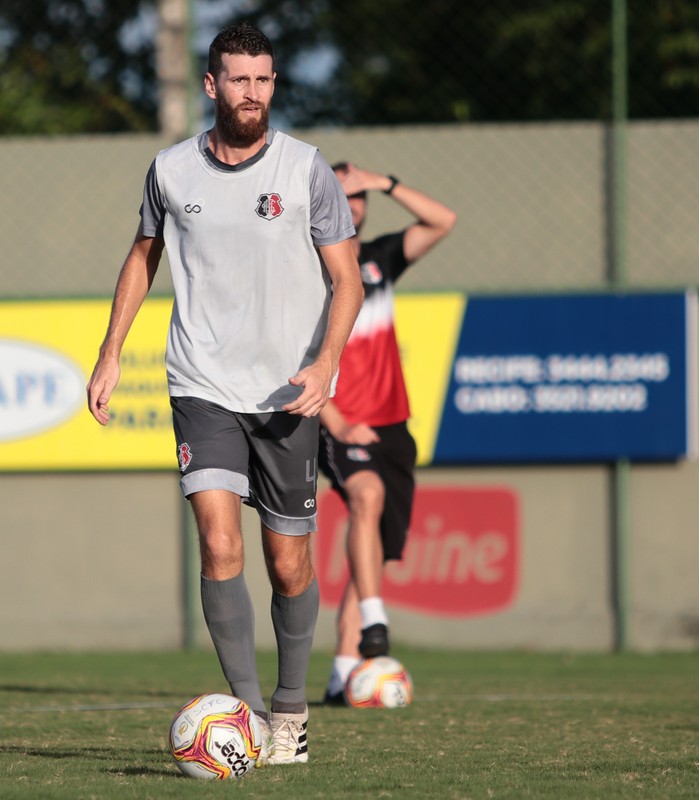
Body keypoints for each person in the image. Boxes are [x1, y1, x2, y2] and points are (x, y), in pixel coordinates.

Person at [86, 23, 363, 764]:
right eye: (239, 80)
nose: (253, 93)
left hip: (286, 392)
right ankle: (243, 714)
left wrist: (326, 362)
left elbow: (348, 280)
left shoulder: (306, 170)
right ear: (211, 85)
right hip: (200, 382)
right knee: (217, 539)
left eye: (264, 79)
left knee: (289, 564)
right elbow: (142, 258)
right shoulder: (171, 170)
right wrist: (111, 351)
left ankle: (291, 712)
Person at [317, 162, 456, 705]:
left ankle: (342, 673)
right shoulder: (309, 271)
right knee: (365, 498)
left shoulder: (377, 261)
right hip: (340, 419)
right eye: (342, 197)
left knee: (372, 547)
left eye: (359, 201)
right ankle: (375, 625)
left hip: (394, 425)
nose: (352, 208)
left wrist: (385, 183)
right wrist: (335, 419)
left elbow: (443, 221)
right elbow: (292, 357)